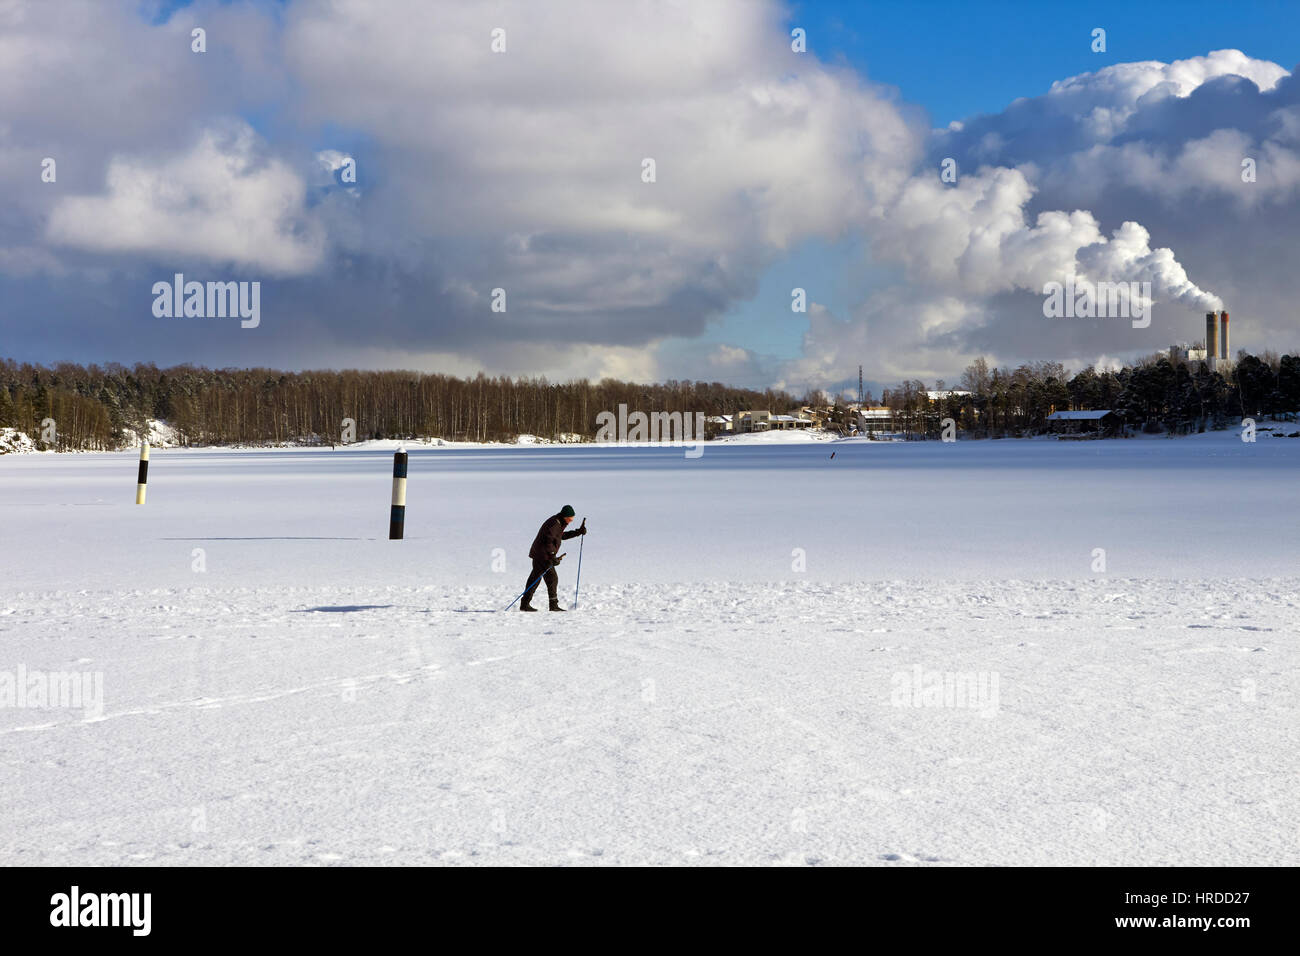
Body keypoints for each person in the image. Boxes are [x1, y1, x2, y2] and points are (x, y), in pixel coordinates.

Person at [520, 505, 586, 611]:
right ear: (565, 516)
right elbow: (548, 540)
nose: (570, 521)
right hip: (542, 555)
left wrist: (577, 532)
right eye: (570, 519)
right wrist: (552, 556)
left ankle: (525, 604)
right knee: (550, 579)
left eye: (572, 519)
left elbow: (560, 536)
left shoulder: (558, 522)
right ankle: (552, 605)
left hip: (541, 554)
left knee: (536, 578)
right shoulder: (555, 523)